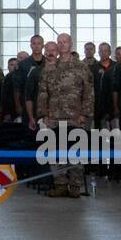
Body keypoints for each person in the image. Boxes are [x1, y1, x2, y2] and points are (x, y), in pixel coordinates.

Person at [38, 34, 93, 198]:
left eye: (65, 42)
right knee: (56, 152)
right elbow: (43, 92)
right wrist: (43, 114)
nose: (62, 45)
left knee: (76, 152)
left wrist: (85, 113)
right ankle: (60, 184)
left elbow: (89, 92)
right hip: (54, 117)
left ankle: (75, 186)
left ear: (71, 44)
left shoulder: (81, 66)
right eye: (59, 42)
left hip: (76, 117)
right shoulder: (49, 67)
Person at [12, 36, 46, 122]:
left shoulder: (48, 63)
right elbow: (17, 88)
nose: (36, 46)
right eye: (34, 43)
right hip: (28, 105)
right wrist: (18, 106)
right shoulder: (23, 65)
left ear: (43, 45)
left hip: (46, 106)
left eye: (39, 43)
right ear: (31, 46)